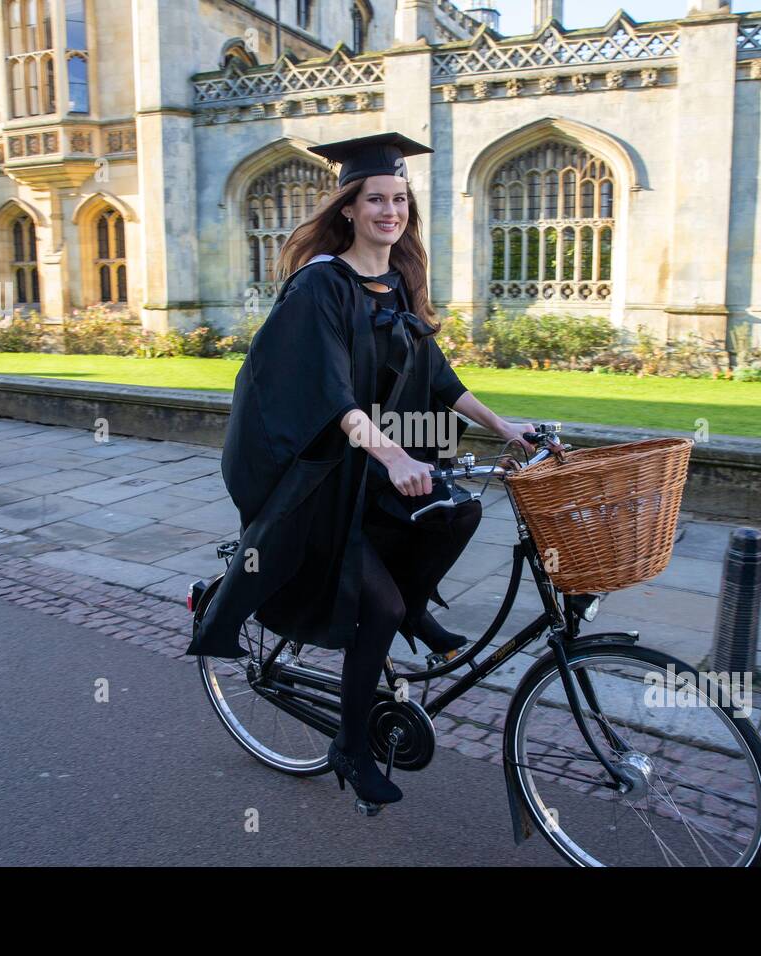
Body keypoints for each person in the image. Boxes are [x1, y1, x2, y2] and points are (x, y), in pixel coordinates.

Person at [187, 132, 534, 809]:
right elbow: (327, 393)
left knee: (458, 506)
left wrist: (504, 429)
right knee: (376, 604)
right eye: (375, 198)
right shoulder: (321, 285)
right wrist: (395, 453)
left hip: (368, 469)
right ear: (348, 207)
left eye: (399, 199)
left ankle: (409, 610)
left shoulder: (395, 284)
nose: (389, 210)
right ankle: (350, 744)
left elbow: (436, 376)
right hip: (318, 480)